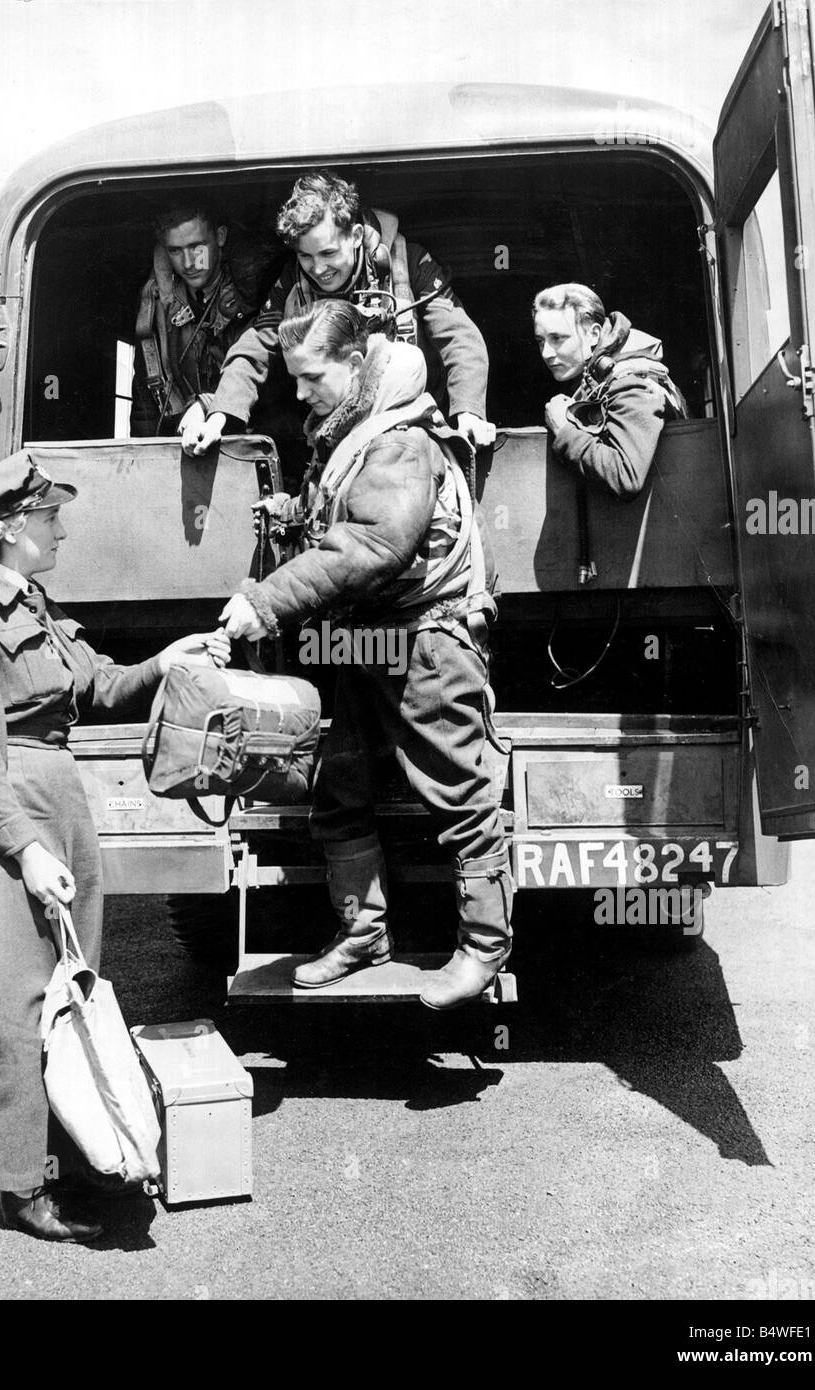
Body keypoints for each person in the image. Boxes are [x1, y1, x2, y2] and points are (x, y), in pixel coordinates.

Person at [0, 451, 229, 1242]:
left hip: (60, 803)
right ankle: (23, 1191)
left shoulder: (37, 605)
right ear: (14, 529)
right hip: (5, 820)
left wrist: (168, 661)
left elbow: (97, 686)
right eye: (50, 516)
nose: (62, 526)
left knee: (73, 994)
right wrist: (24, 849)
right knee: (22, 1008)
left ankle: (87, 1157)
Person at [218, 299, 513, 1010]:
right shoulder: (355, 428)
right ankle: (362, 935)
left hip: (426, 640)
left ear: (354, 365)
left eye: (311, 377)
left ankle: (481, 949)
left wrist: (265, 601)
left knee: (460, 793)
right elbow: (348, 524)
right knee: (338, 785)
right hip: (366, 639)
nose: (299, 394)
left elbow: (375, 545)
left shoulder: (399, 441)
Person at [180, 169, 496, 460]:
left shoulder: (407, 263)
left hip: (408, 431)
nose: (318, 269)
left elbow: (460, 338)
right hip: (332, 434)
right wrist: (220, 414)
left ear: (356, 235)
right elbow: (255, 347)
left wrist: (468, 413)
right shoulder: (292, 281)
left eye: (329, 253)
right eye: (306, 256)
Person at [130, 202, 283, 436]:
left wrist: (209, 405)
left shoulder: (253, 296)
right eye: (175, 250)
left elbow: (269, 380)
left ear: (220, 237)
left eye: (196, 246)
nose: (189, 262)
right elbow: (146, 406)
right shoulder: (158, 308)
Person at [533, 282, 687, 498]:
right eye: (541, 341)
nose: (546, 353)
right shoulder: (595, 378)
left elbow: (627, 476)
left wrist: (565, 432)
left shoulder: (632, 380)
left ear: (594, 334)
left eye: (558, 338)